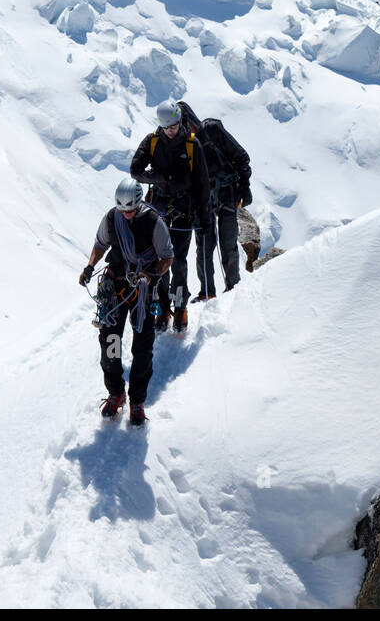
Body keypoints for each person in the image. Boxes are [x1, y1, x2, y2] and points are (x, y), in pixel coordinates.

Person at [79, 175, 173, 424]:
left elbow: (167, 256)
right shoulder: (112, 218)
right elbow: (100, 244)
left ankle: (137, 402)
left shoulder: (153, 222)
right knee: (110, 343)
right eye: (122, 209)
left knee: (142, 349)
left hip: (143, 291)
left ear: (139, 203)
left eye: (130, 209)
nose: (126, 214)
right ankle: (116, 393)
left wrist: (151, 275)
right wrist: (89, 267)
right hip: (115, 287)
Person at [129, 100, 211, 333]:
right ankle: (164, 307)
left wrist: (205, 218)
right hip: (158, 212)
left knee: (179, 261)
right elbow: (135, 170)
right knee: (160, 260)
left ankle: (181, 307)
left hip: (184, 211)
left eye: (173, 127)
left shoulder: (192, 145)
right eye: (166, 128)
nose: (171, 131)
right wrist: (160, 179)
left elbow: (203, 184)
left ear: (180, 121)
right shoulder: (152, 141)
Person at [192, 117, 254, 300]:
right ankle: (209, 291)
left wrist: (245, 187)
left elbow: (241, 157)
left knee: (223, 244)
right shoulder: (183, 143)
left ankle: (228, 289)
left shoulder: (211, 130)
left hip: (224, 194)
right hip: (211, 198)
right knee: (208, 246)